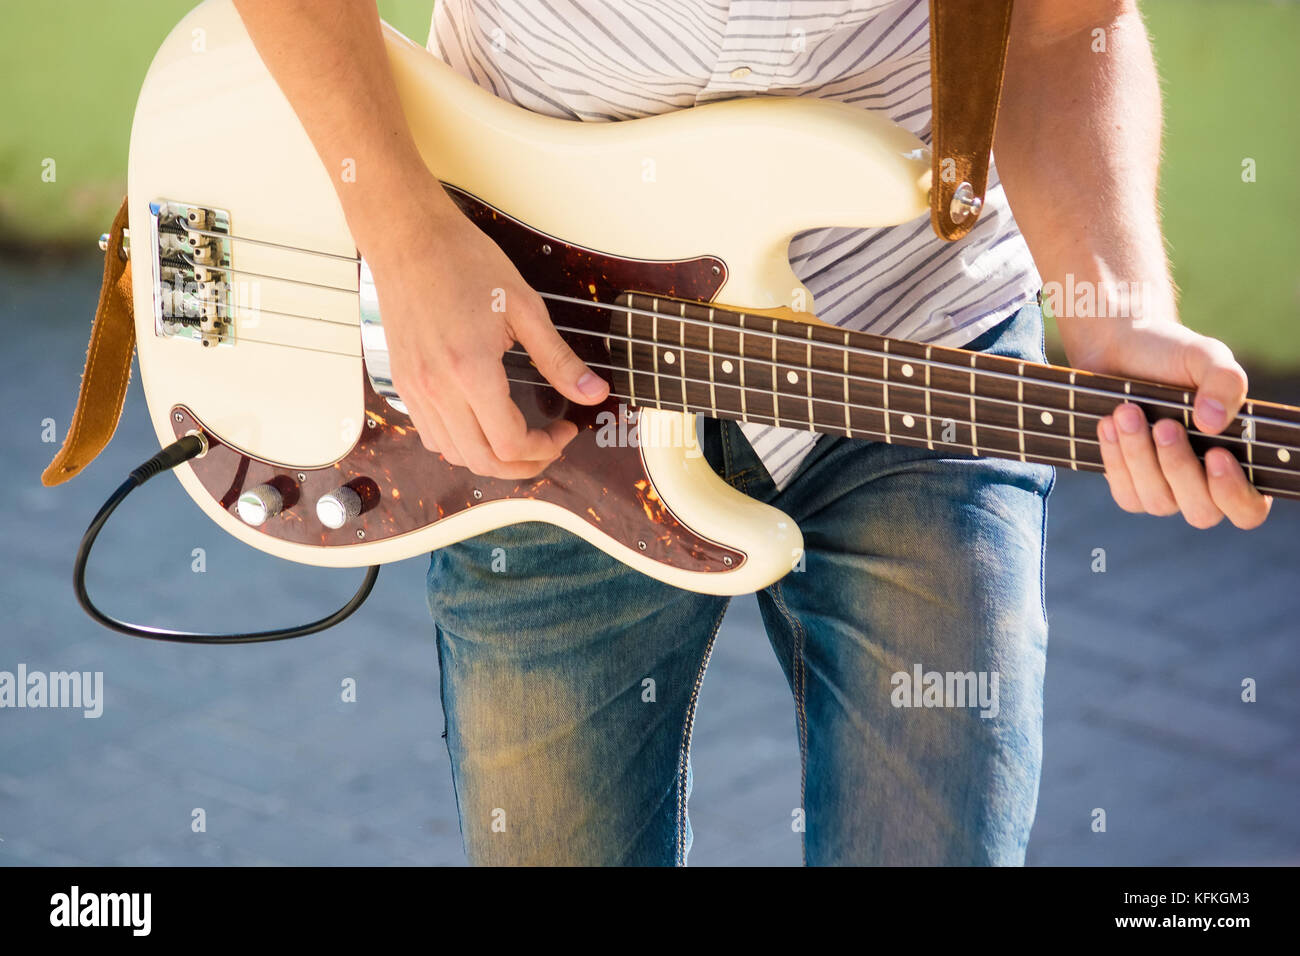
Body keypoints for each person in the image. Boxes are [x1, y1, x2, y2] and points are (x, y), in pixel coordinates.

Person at [231, 0, 1271, 865]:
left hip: (910, 337)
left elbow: (1059, 27)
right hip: (539, 344)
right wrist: (404, 234)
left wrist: (1113, 299)